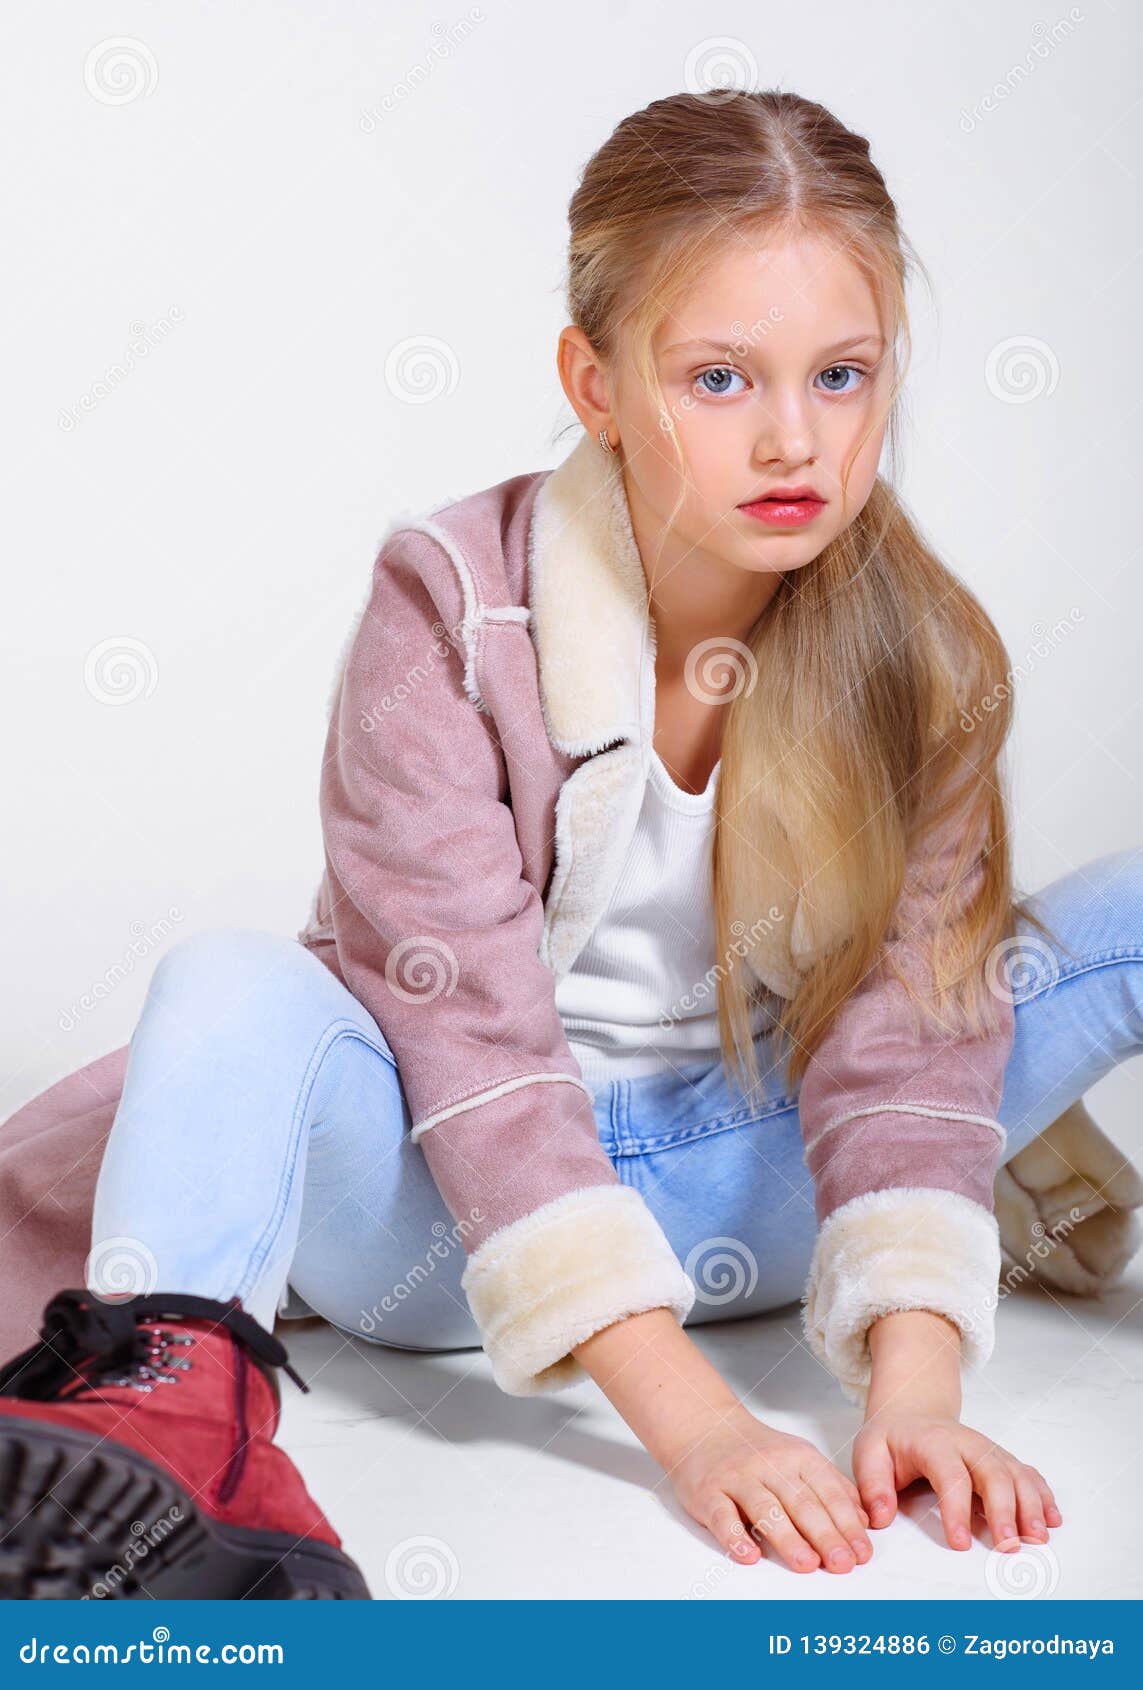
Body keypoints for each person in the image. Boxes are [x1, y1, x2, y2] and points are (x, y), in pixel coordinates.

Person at [2, 88, 1140, 1600]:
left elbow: (916, 1044)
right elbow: (471, 1054)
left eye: (843, 374)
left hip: (772, 1179)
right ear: (594, 382)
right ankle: (175, 1433)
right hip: (446, 1216)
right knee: (228, 980)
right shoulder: (448, 614)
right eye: (721, 377)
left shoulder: (908, 652)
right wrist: (704, 1433)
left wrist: (916, 1396)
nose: (795, 436)